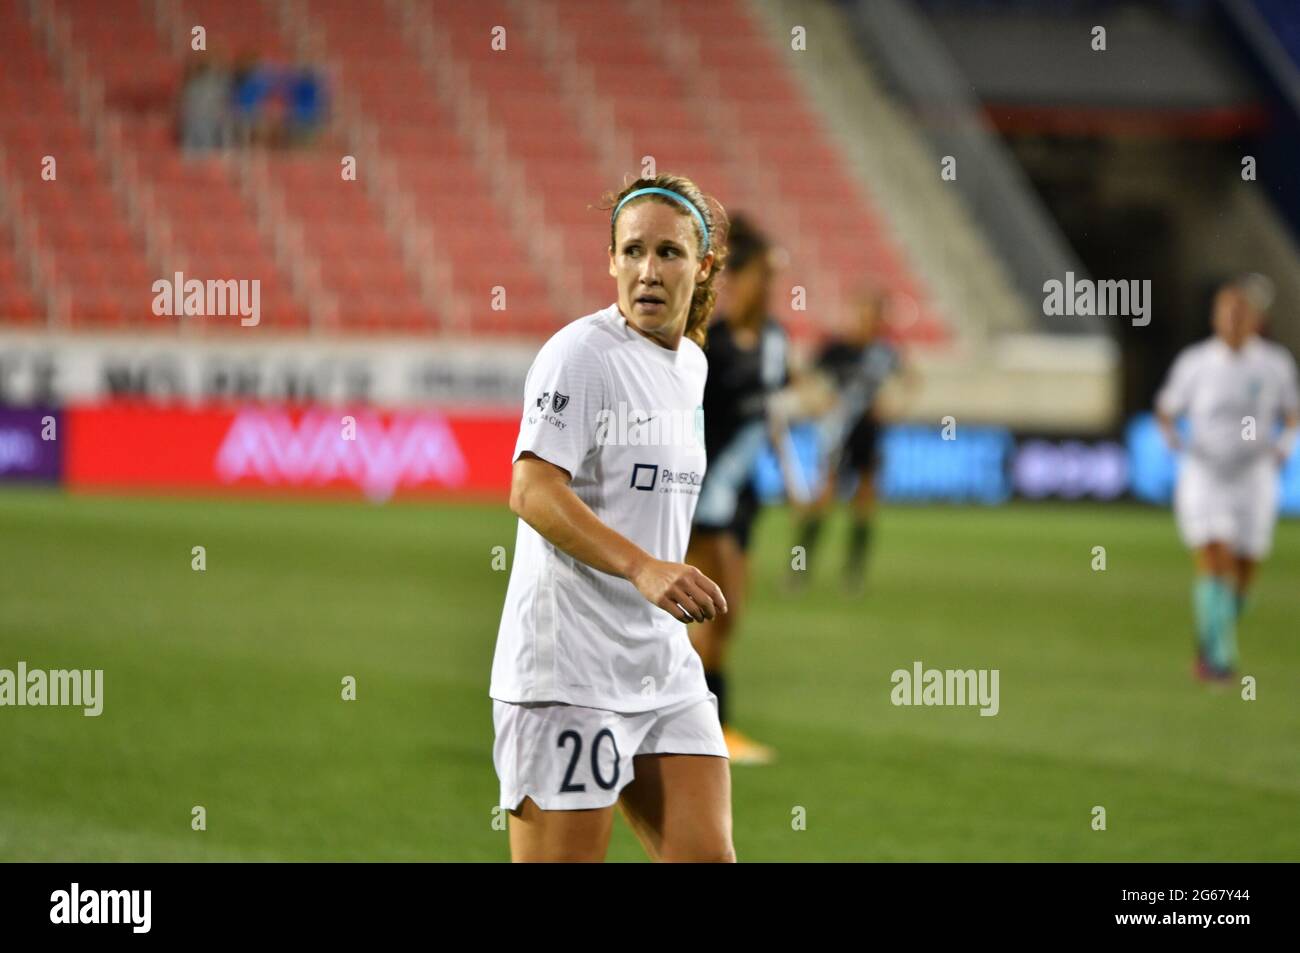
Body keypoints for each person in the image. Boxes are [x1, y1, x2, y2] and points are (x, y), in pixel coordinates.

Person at [490, 174, 735, 862]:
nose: (647, 271)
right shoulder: (581, 355)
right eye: (631, 252)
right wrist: (642, 566)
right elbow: (531, 489)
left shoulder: (692, 367)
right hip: (569, 676)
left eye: (668, 253)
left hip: (661, 667)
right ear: (610, 261)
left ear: (703, 264)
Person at [686, 214, 801, 766]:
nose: (767, 286)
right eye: (761, 275)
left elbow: (773, 414)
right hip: (709, 495)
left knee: (731, 615)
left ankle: (708, 723)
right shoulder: (715, 345)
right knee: (710, 610)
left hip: (747, 495)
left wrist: (793, 476)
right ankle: (711, 727)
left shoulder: (776, 341)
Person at [1155, 274, 1298, 682]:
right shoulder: (1195, 362)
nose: (1233, 319)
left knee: (1243, 575)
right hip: (1205, 472)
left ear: (1254, 319)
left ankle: (1212, 635)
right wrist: (1172, 438)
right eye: (1226, 311)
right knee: (1213, 557)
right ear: (1216, 317)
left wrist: (1286, 443)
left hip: (1254, 475)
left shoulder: (1275, 364)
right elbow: (1167, 407)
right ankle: (1220, 658)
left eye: (1241, 312)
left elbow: (1292, 412)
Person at [791, 288, 918, 593]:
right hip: (839, 432)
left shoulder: (884, 352)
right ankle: (799, 572)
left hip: (869, 433)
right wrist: (816, 404)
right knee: (823, 498)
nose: (866, 319)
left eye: (872, 313)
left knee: (864, 503)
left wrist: (893, 408)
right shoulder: (836, 347)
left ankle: (853, 574)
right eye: (862, 311)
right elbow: (802, 376)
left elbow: (911, 381)